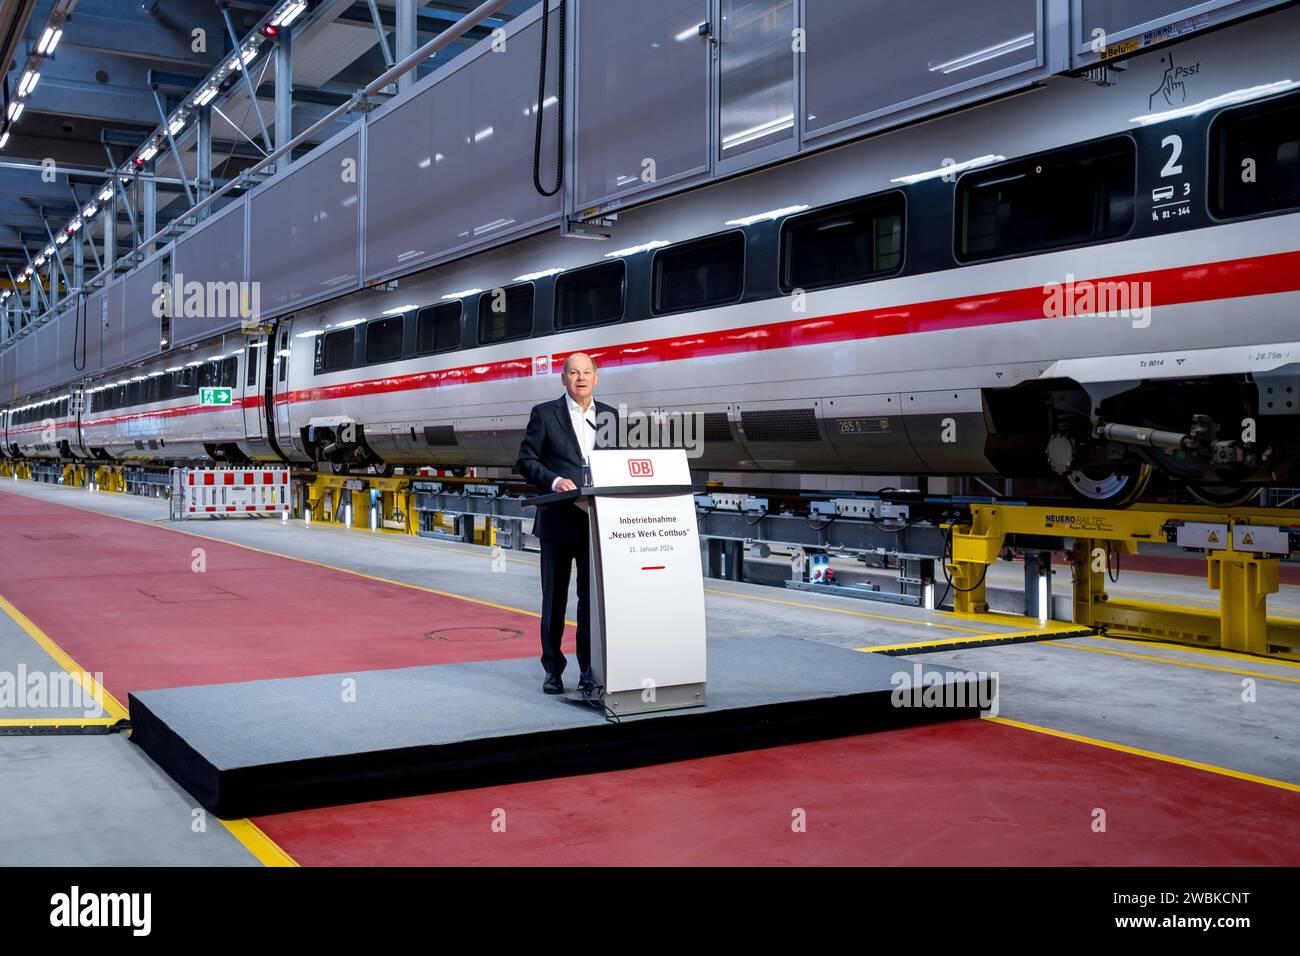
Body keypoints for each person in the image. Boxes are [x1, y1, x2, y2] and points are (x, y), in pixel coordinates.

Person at [515, 353, 618, 695]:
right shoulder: (545, 414)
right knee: (554, 599)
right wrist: (555, 480)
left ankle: (589, 669)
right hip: (558, 520)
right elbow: (525, 460)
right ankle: (553, 669)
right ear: (563, 378)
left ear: (596, 378)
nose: (581, 378)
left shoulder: (610, 416)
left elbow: (618, 461)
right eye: (573, 373)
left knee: (590, 601)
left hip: (595, 523)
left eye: (587, 372)